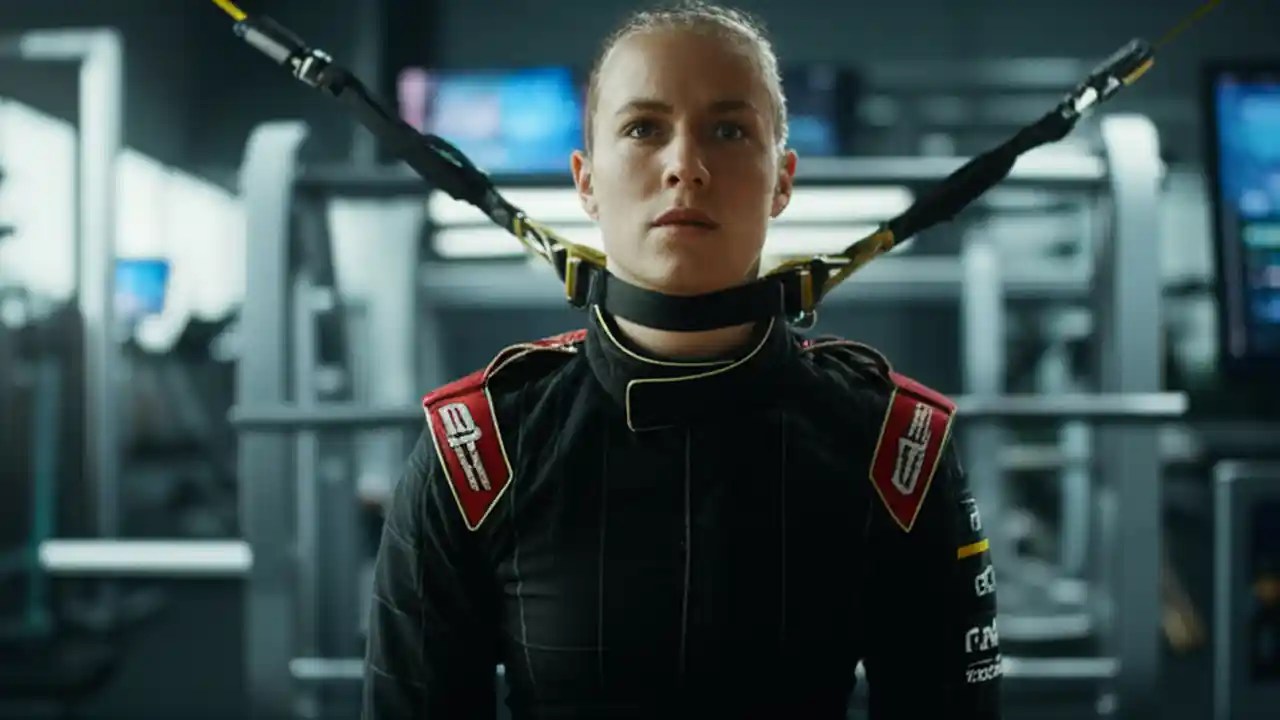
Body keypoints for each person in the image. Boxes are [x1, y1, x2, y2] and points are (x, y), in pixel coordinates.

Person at [362, 2, 1002, 718]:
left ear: (782, 179)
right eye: (642, 129)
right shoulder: (475, 452)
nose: (685, 168)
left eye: (728, 131)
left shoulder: (896, 450)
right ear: (586, 181)